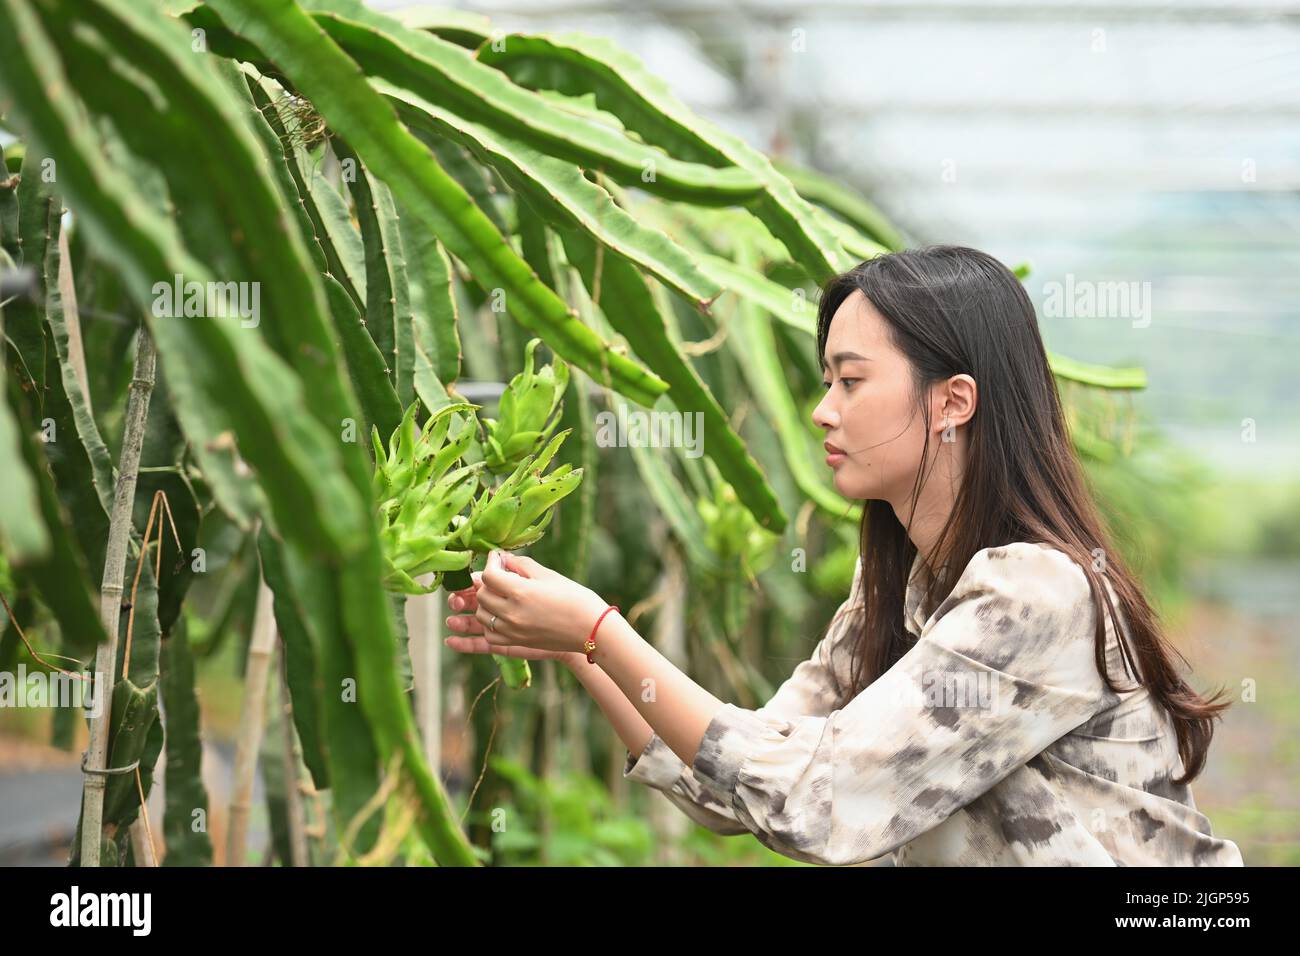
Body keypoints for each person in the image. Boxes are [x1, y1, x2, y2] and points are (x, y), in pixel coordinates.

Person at [444, 245, 1244, 866]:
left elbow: (820, 802)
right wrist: (580, 648)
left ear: (952, 401)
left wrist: (599, 628)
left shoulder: (1035, 596)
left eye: (850, 381)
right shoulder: (901, 585)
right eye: (826, 380)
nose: (823, 412)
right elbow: (735, 784)